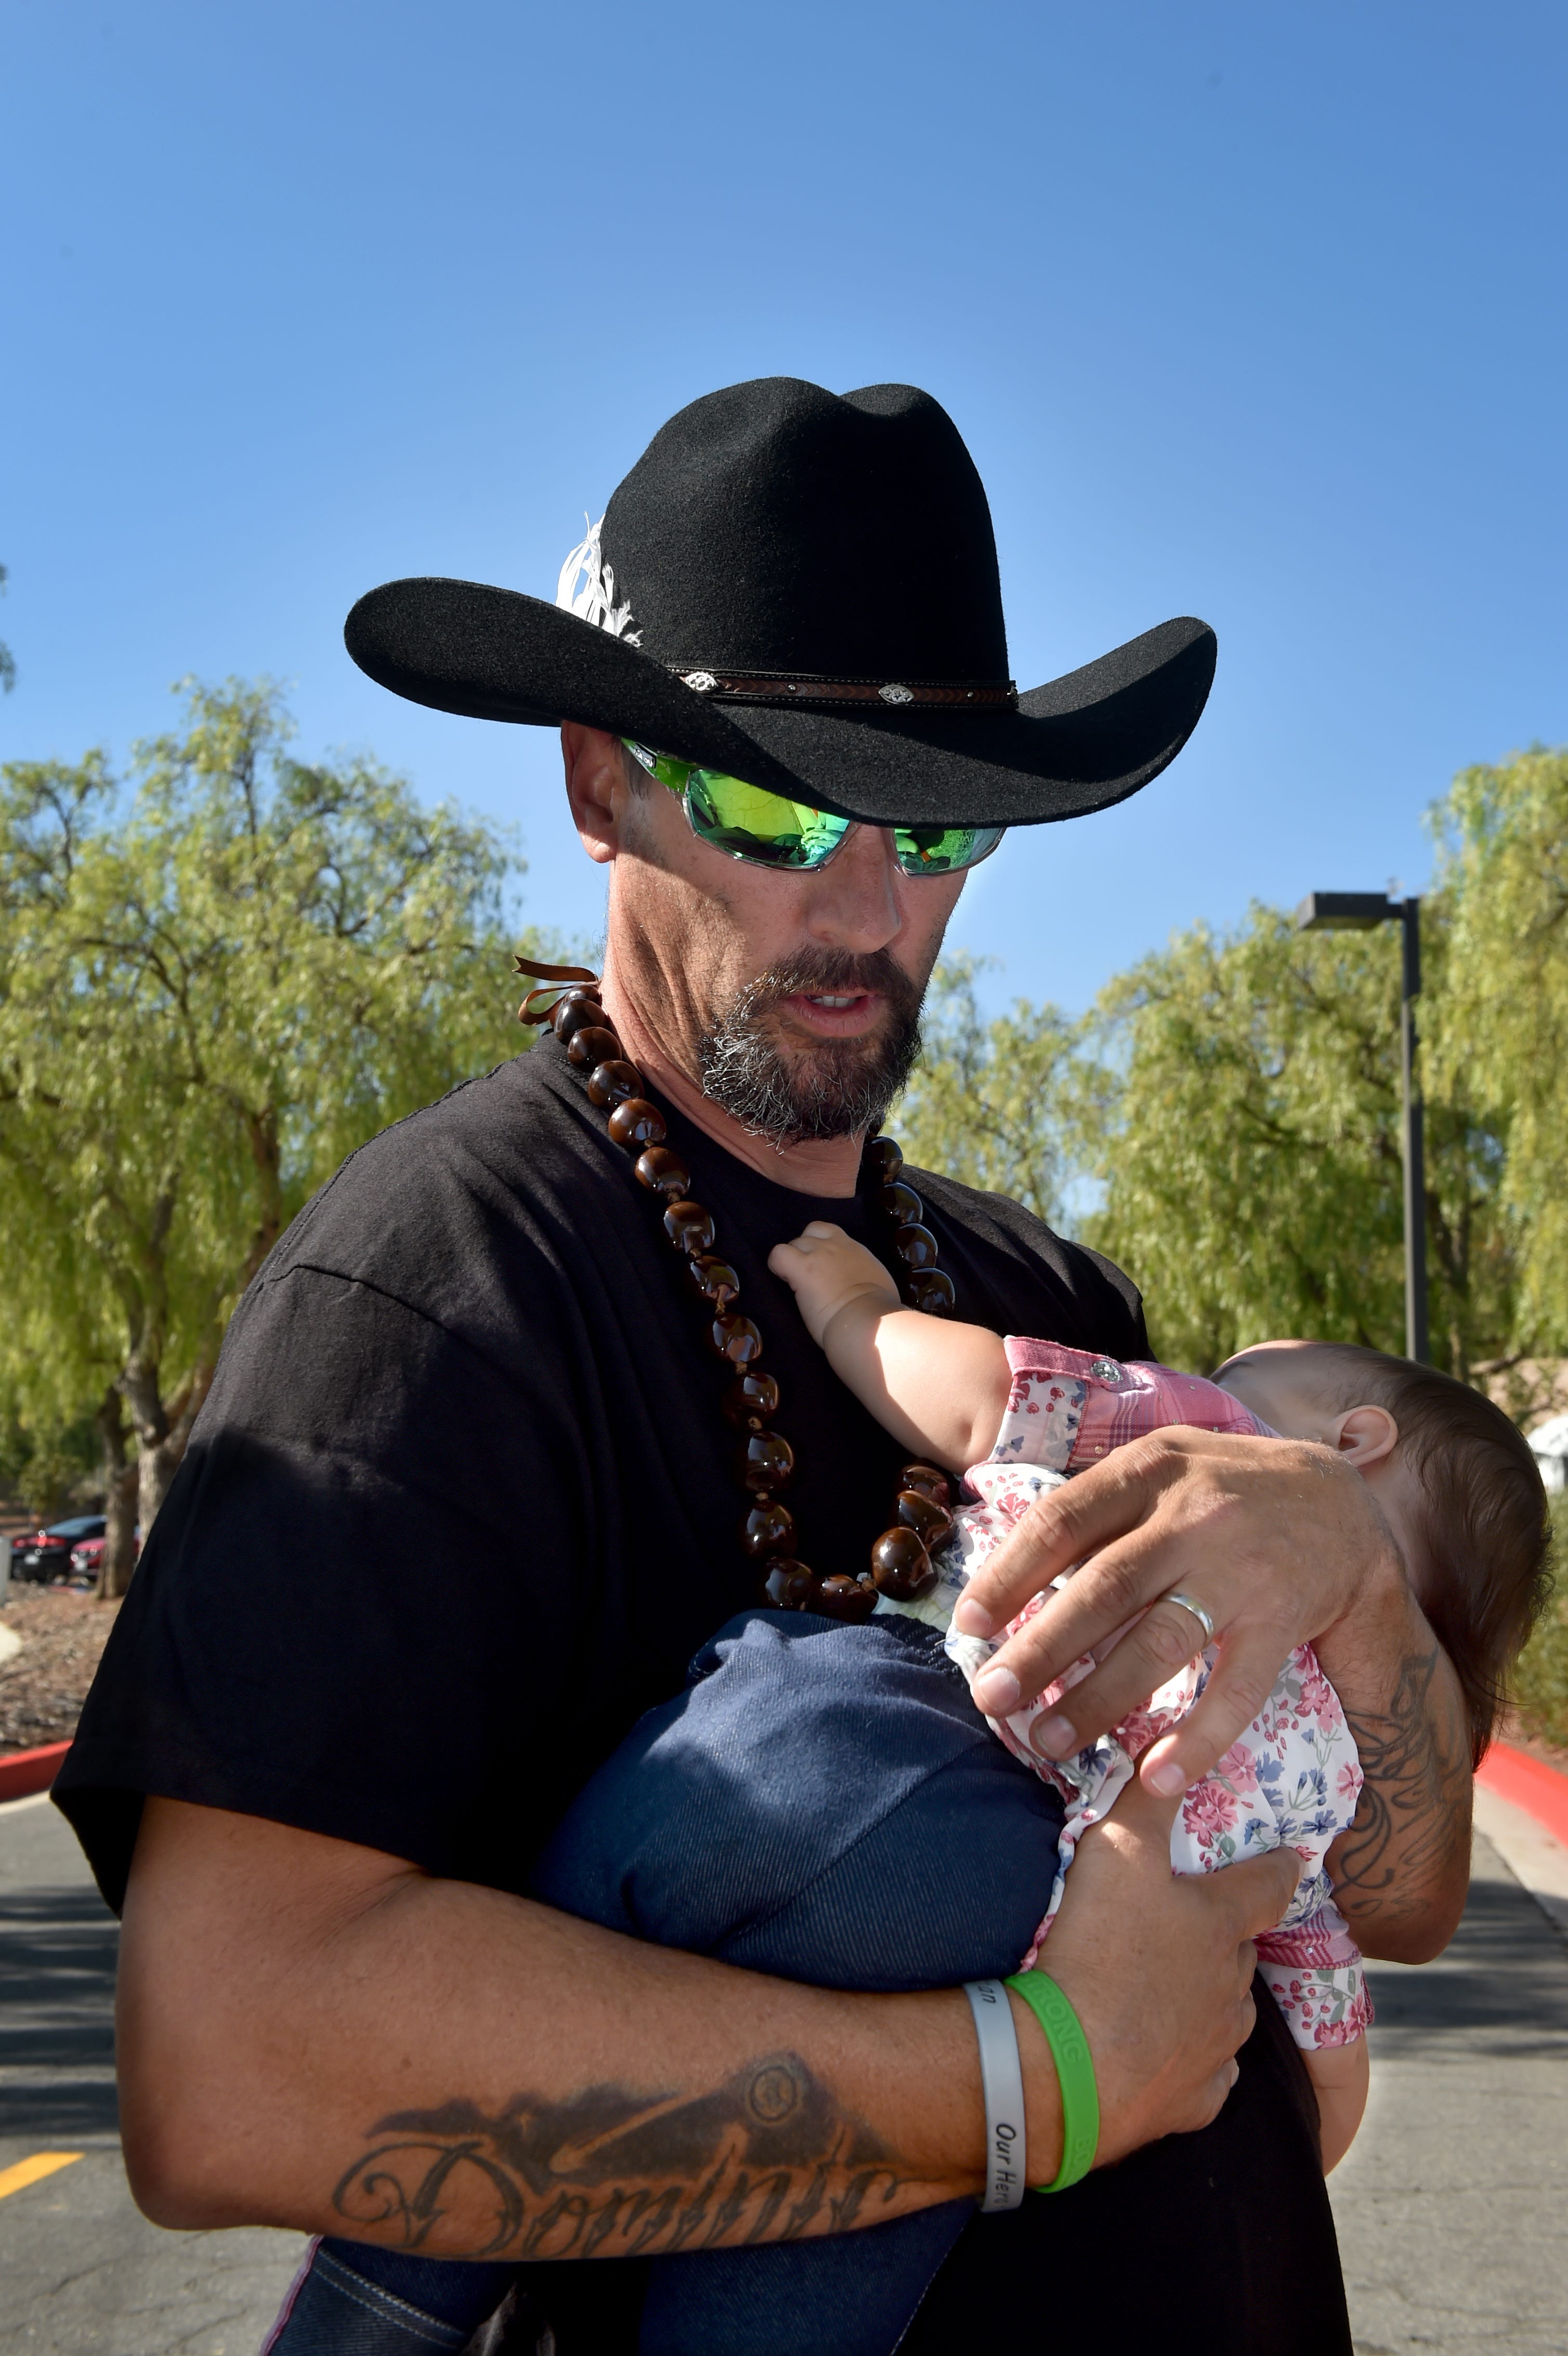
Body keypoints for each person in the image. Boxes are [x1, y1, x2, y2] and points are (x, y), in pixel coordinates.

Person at [55, 378, 1475, 2356]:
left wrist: (1349, 1586)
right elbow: (228, 2071)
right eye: (770, 805)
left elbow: (1399, 1892)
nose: (866, 904)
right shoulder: (435, 1283)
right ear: (595, 785)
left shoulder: (1030, 1291)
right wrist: (1035, 2078)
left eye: (934, 827)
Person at [268, 1225, 1547, 2355]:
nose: (1220, 1375)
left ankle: (378, 2305)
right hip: (1005, 1941)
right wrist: (1291, 2118)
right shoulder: (1321, 1779)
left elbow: (981, 1395)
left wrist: (854, 1311)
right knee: (822, 2266)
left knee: (598, 1901)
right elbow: (1327, 1989)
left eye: (1255, 1363)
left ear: (1350, 1437)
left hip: (876, 1756)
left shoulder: (1203, 1437)